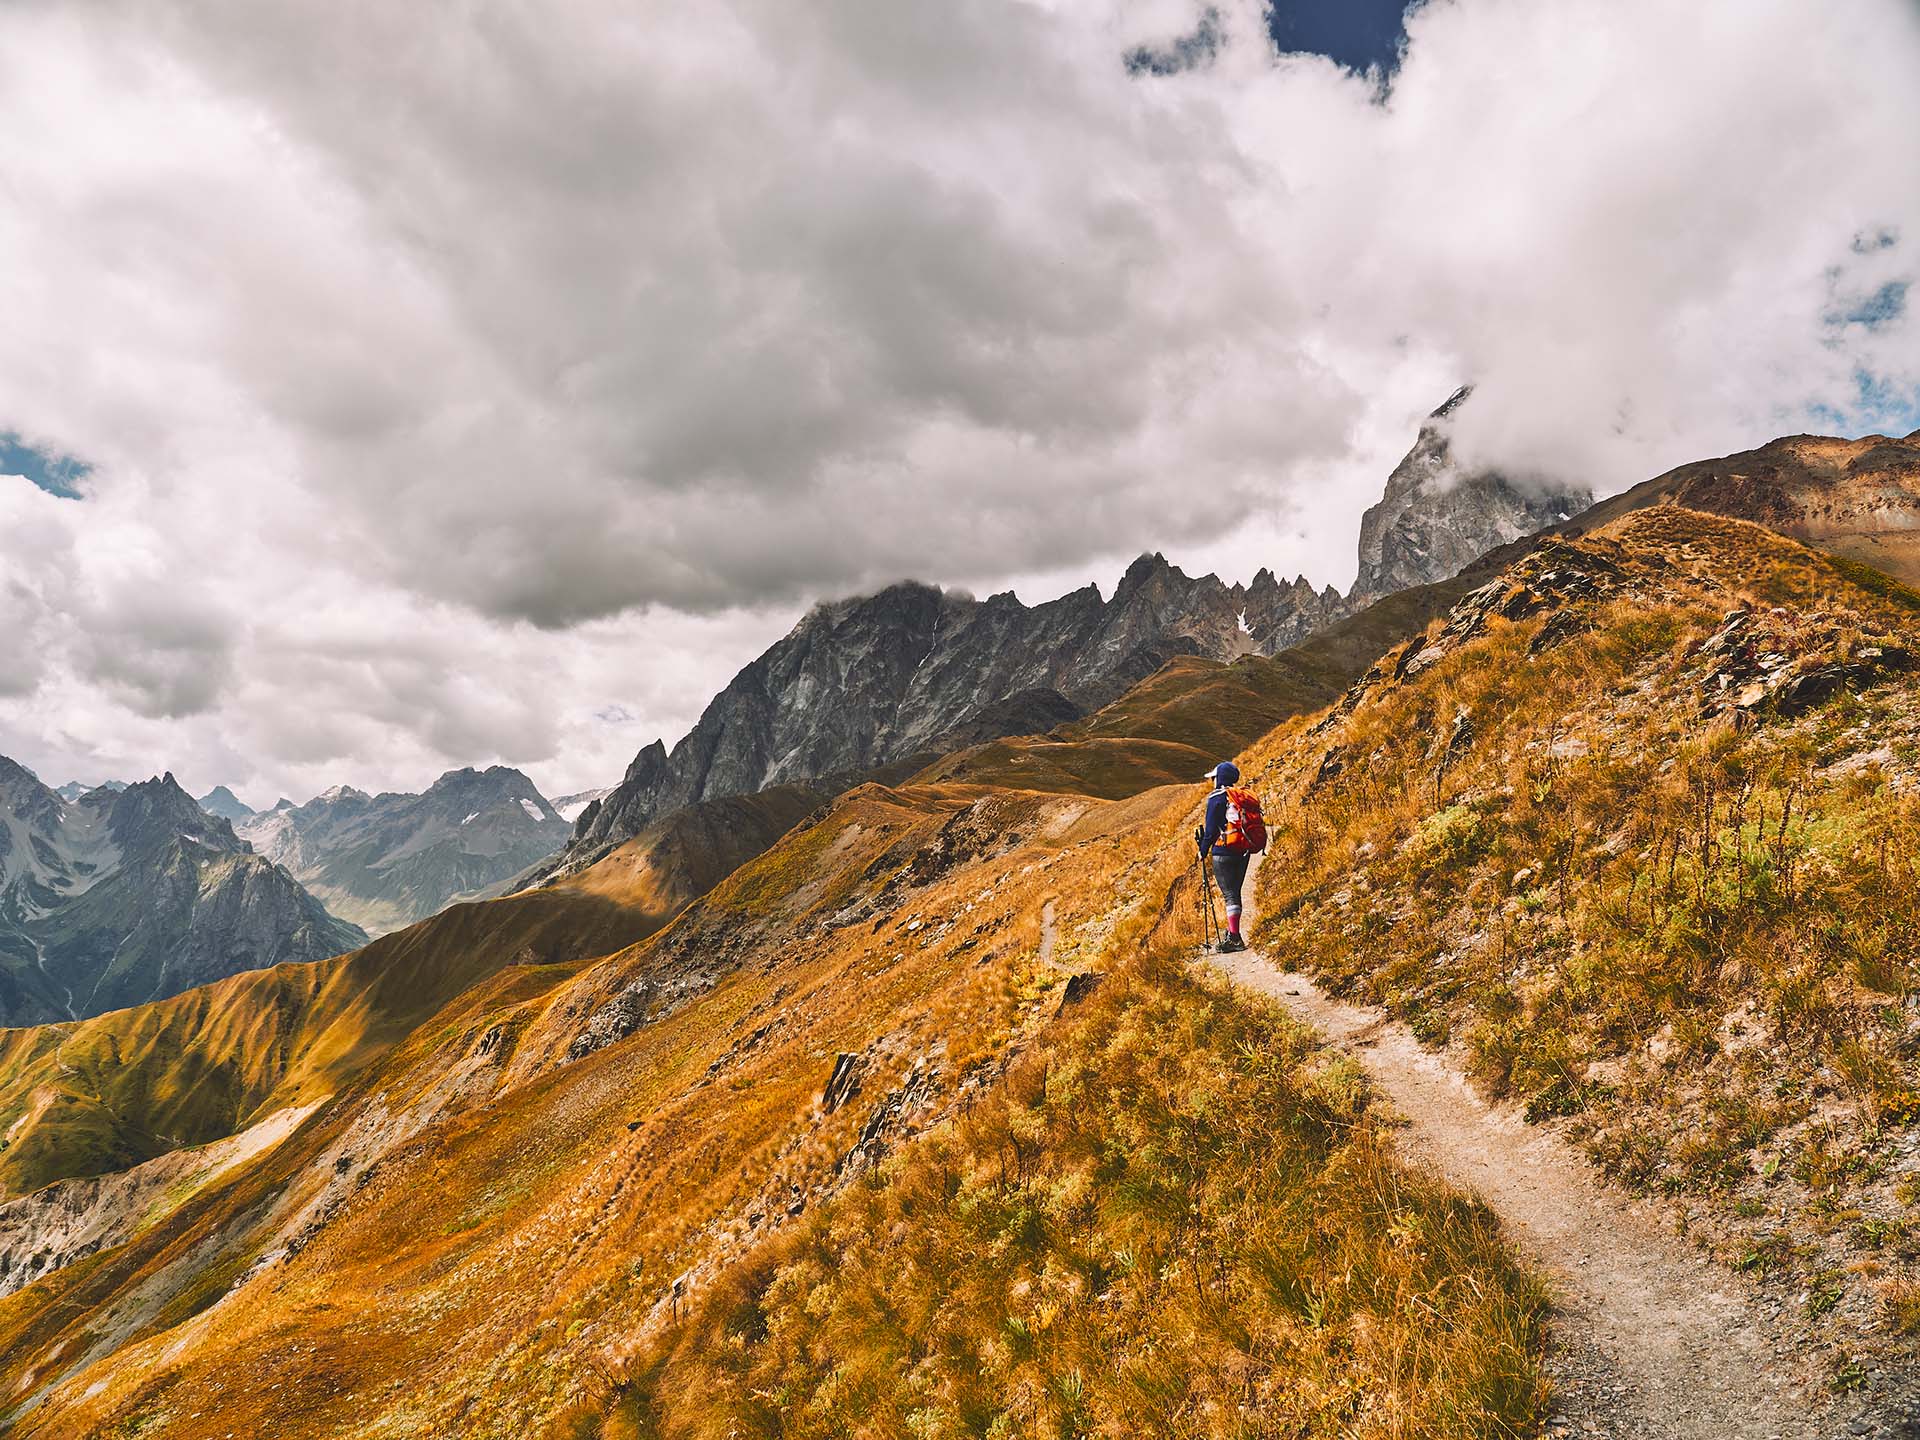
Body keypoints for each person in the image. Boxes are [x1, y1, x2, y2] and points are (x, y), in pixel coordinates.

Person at [1197, 759, 1253, 953]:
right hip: (1243, 849)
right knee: (1235, 892)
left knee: (1229, 894)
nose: (1212, 781)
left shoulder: (1217, 798)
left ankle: (1235, 938)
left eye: (1213, 777)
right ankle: (1233, 931)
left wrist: (1202, 850)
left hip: (1223, 850)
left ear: (1218, 778)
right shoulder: (1239, 797)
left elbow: (1211, 830)